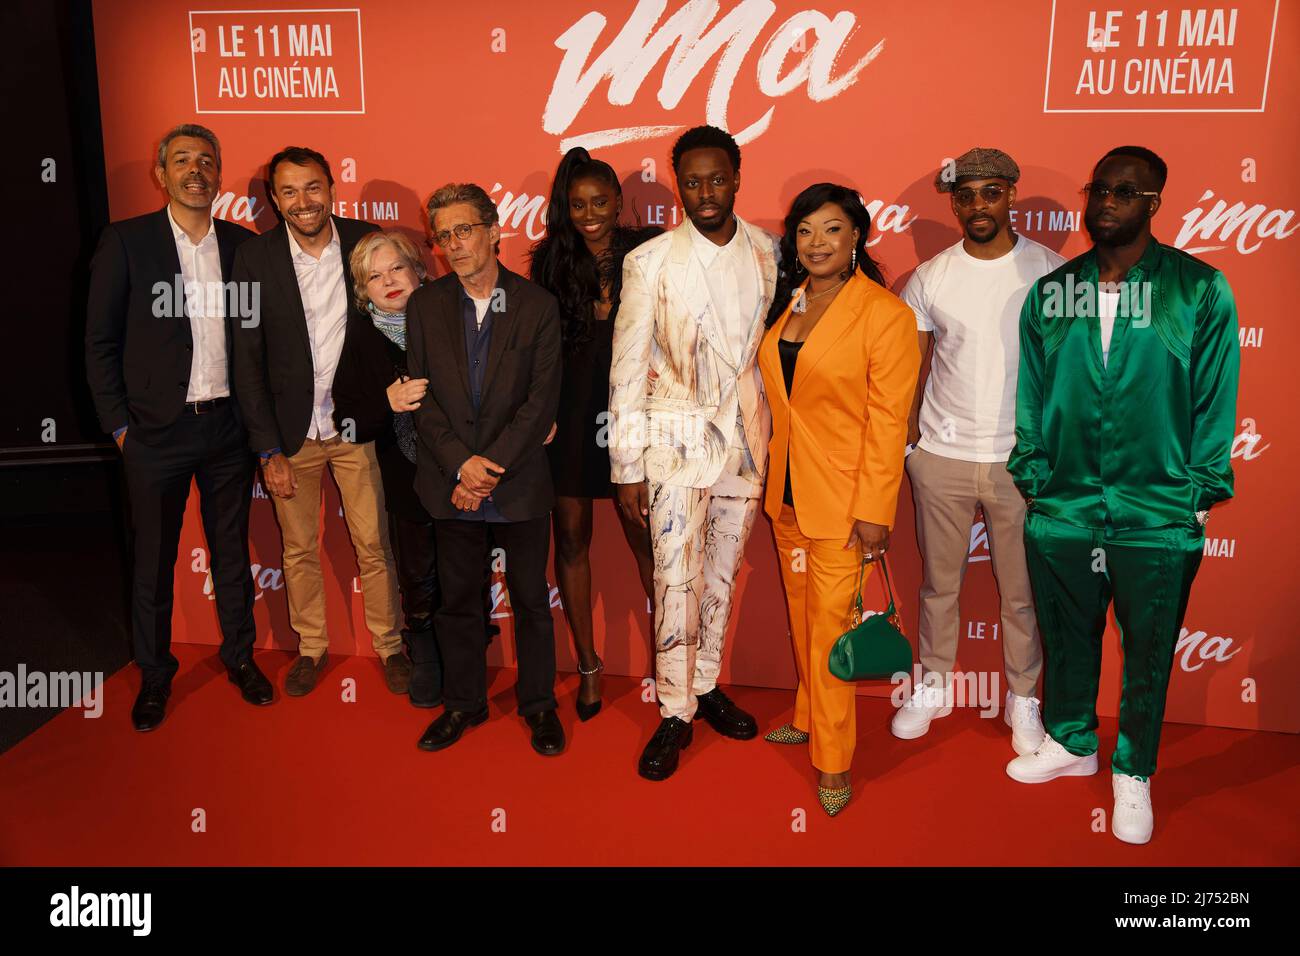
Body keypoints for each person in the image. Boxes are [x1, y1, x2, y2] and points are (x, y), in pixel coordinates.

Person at [1005, 146, 1240, 845]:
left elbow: (1214, 396)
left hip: (1158, 512)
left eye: (1125, 192)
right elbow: (1032, 395)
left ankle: (1133, 770)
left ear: (1153, 204)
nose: (1106, 201)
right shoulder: (1055, 290)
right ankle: (1073, 743)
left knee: (1150, 647)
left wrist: (1195, 493)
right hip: (1066, 505)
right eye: (1099, 189)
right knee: (1068, 635)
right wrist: (1036, 477)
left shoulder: (1199, 289)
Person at [86, 123, 269, 730]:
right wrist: (119, 429)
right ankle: (156, 676)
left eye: (207, 161)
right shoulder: (127, 242)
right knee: (153, 561)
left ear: (219, 175)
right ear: (161, 175)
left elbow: (259, 342)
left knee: (231, 553)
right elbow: (99, 343)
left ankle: (241, 658)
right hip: (154, 435)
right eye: (183, 160)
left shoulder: (245, 248)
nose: (197, 170)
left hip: (228, 431)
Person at [609, 125, 778, 781]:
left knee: (719, 577)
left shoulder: (769, 253)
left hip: (745, 444)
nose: (704, 192)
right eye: (692, 181)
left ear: (737, 178)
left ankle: (705, 683)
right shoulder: (648, 263)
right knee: (672, 582)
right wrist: (626, 466)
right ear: (679, 184)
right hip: (673, 446)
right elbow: (625, 369)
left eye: (716, 178)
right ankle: (674, 711)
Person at [893, 148, 1063, 754]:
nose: (978, 206)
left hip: (1020, 462)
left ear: (1012, 194)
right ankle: (934, 684)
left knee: (1021, 591)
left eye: (991, 193)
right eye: (966, 196)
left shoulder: (1050, 271)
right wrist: (912, 444)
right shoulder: (933, 275)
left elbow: (1071, 373)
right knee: (940, 585)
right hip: (941, 456)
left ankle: (1024, 699)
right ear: (954, 202)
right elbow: (908, 370)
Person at [758, 183, 920, 816]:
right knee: (804, 617)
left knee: (830, 631)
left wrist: (876, 510)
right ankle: (805, 711)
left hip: (846, 505)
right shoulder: (793, 301)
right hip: (788, 497)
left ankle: (833, 761)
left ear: (858, 236)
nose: (816, 243)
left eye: (831, 229)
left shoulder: (884, 314)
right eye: (804, 231)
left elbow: (888, 421)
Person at [232, 146, 410, 697]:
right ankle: (311, 647)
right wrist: (267, 450)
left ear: (332, 187)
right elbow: (247, 361)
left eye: (312, 188)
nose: (302, 201)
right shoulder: (254, 259)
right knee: (298, 549)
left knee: (375, 543)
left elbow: (398, 320)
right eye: (288, 191)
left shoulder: (365, 241)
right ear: (274, 198)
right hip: (290, 435)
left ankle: (391, 645)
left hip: (357, 426)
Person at [406, 182, 565, 757]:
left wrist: (488, 469)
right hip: (451, 481)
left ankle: (539, 706)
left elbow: (540, 405)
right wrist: (460, 467)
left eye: (465, 230)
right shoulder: (424, 305)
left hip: (517, 481)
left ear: (495, 230)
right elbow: (422, 399)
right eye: (443, 235)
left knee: (529, 598)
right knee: (457, 601)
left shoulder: (537, 306)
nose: (454, 245)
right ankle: (464, 703)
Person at [529, 146, 658, 721]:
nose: (590, 214)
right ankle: (587, 665)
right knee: (573, 537)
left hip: (634, 412)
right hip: (570, 412)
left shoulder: (649, 253)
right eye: (578, 204)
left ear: (619, 202)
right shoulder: (550, 262)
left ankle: (672, 661)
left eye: (600, 201)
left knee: (647, 537)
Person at [331, 230, 444, 707]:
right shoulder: (360, 338)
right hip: (407, 479)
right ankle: (426, 660)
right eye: (374, 276)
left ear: (418, 271)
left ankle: (465, 654)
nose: (388, 281)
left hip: (464, 475)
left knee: (466, 568)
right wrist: (388, 402)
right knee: (417, 572)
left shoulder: (452, 321)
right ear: (364, 291)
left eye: (396, 268)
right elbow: (348, 421)